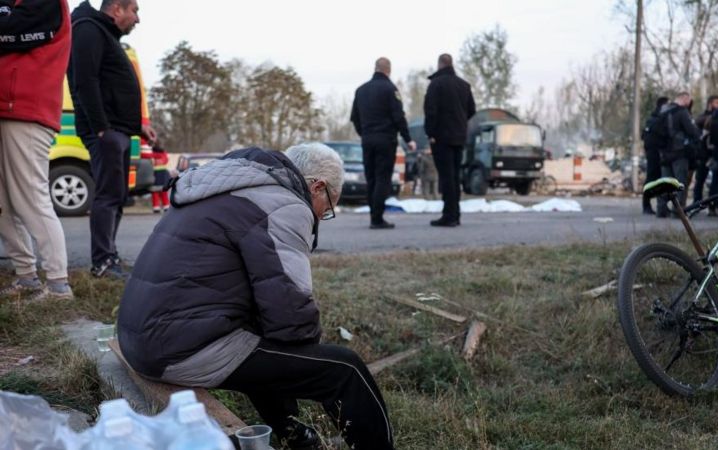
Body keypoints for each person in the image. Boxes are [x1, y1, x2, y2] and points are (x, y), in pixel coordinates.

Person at [117, 144, 395, 450]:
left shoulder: (228, 184)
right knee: (345, 369)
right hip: (175, 349)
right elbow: (291, 317)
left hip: (139, 336)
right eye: (326, 208)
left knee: (265, 339)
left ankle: (293, 434)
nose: (321, 215)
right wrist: (309, 364)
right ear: (317, 187)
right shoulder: (284, 204)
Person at [67, 0, 157, 278]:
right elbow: (85, 81)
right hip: (106, 133)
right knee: (108, 195)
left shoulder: (104, 34)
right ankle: (103, 263)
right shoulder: (88, 30)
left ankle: (110, 257)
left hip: (119, 130)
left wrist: (138, 127)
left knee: (117, 195)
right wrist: (102, 128)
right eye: (135, 11)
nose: (137, 19)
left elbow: (110, 87)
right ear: (116, 8)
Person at [0, 0, 74, 301]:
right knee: (3, 203)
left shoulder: (46, 3)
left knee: (31, 197)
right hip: (8, 109)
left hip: (27, 110)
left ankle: (58, 285)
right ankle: (26, 275)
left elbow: (9, 29)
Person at [350, 57, 416, 230]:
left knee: (371, 178)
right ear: (389, 70)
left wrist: (364, 133)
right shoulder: (390, 89)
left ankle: (374, 214)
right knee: (382, 178)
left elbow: (355, 118)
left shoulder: (360, 90)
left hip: (367, 140)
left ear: (375, 68)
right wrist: (408, 139)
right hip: (385, 140)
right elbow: (398, 117)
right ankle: (377, 218)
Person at [424, 53, 476, 227]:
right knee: (455, 176)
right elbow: (471, 110)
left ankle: (449, 215)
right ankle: (456, 214)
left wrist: (430, 133)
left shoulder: (435, 85)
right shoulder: (464, 85)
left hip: (441, 138)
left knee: (446, 177)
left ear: (439, 65)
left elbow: (430, 111)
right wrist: (460, 123)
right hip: (459, 137)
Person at [655, 92, 701, 217]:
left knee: (665, 183)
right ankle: (678, 211)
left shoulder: (663, 111)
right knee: (680, 183)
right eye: (689, 101)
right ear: (685, 99)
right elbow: (692, 131)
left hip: (664, 153)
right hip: (679, 153)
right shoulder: (682, 112)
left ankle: (661, 209)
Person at [641, 96, 670, 214]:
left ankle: (657, 205)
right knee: (653, 179)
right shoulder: (658, 120)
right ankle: (647, 205)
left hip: (653, 153)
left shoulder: (652, 119)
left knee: (655, 179)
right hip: (655, 153)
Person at [692, 95, 718, 204]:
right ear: (710, 103)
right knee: (700, 180)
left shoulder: (713, 117)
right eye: (716, 103)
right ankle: (697, 202)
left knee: (714, 181)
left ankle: (709, 203)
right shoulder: (703, 118)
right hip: (704, 154)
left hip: (712, 153)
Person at [149, 143, 171, 213]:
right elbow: (166, 160)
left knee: (155, 192)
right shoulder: (163, 154)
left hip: (154, 175)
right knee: (163, 192)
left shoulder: (152, 154)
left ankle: (156, 208)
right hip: (163, 175)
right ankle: (166, 206)